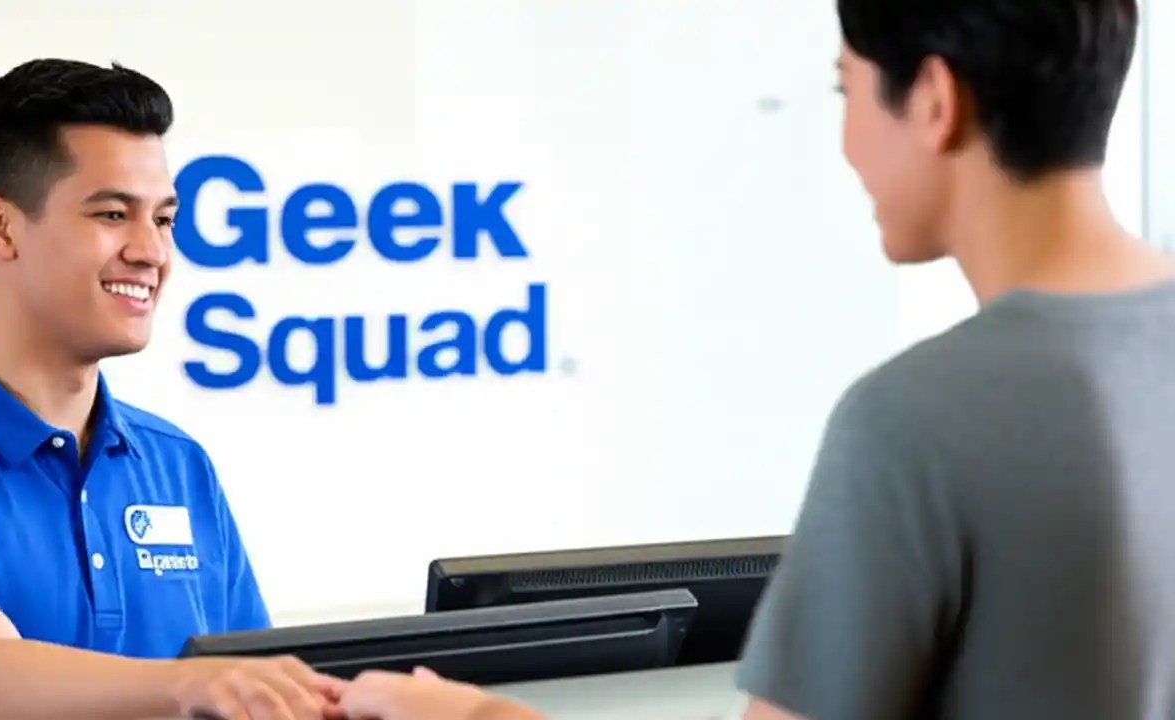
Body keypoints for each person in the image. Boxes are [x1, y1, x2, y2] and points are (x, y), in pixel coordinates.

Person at [317, 0, 1173, 718]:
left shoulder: (920, 416)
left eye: (847, 91)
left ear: (936, 102)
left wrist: (477, 714)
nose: (843, 143)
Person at [0, 59, 344, 720]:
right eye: (112, 214)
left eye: (164, 220)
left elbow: (258, 694)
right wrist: (195, 684)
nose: (152, 252)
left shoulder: (176, 463)